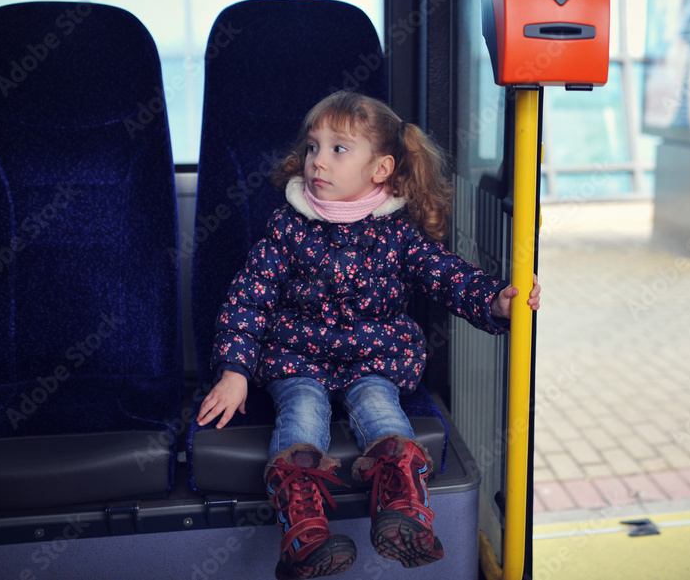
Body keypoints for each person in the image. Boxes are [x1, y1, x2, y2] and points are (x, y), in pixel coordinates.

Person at [196, 90, 541, 579]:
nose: (318, 160)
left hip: (374, 360)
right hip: (298, 359)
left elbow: (447, 275)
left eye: (339, 149)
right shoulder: (287, 227)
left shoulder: (396, 233)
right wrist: (235, 372)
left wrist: (494, 300)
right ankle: (303, 529)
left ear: (380, 169)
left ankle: (401, 504)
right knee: (302, 410)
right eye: (313, 147)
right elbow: (249, 298)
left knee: (380, 408)